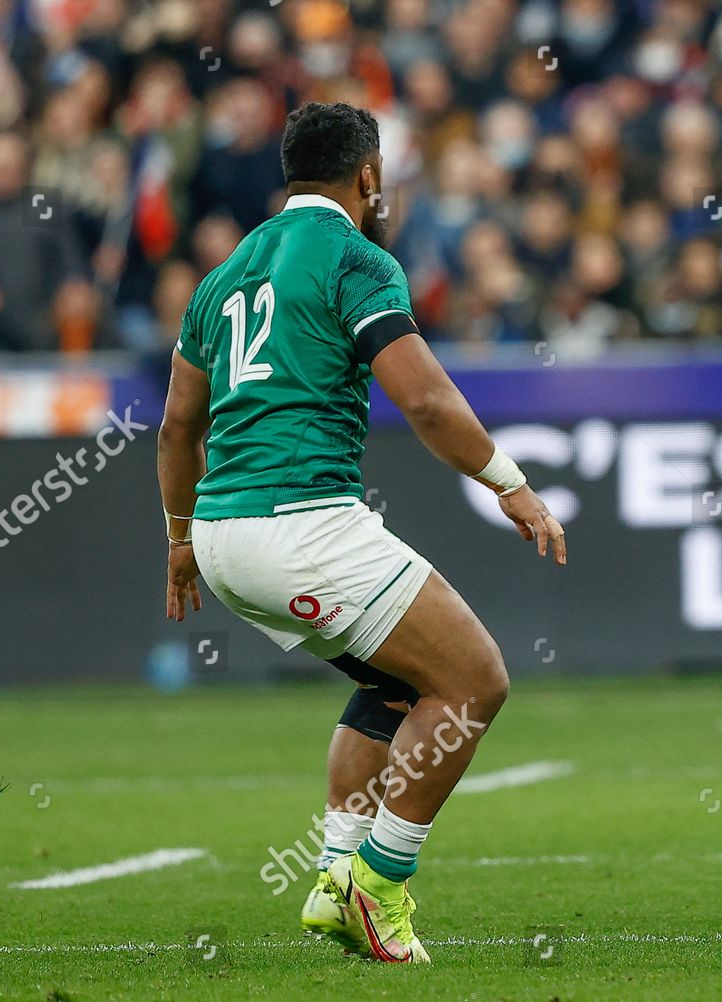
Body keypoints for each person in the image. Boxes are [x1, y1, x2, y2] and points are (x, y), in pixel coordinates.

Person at [157, 102, 566, 962]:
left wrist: (181, 540)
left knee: (397, 681)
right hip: (298, 520)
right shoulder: (356, 258)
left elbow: (175, 428)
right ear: (368, 176)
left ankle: (333, 874)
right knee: (474, 681)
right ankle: (378, 886)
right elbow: (422, 398)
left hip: (226, 537)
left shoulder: (223, 273)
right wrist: (511, 484)